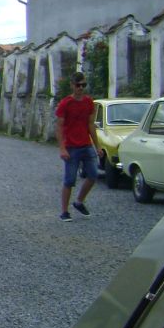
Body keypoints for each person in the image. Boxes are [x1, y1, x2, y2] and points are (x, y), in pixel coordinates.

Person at [55, 72, 100, 222]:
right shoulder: (66, 103)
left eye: (83, 85)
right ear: (72, 86)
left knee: (93, 175)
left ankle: (79, 202)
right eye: (78, 85)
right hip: (71, 146)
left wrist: (97, 146)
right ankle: (64, 211)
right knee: (69, 180)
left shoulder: (88, 102)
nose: (81, 88)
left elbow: (90, 124)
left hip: (86, 144)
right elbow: (60, 126)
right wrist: (62, 148)